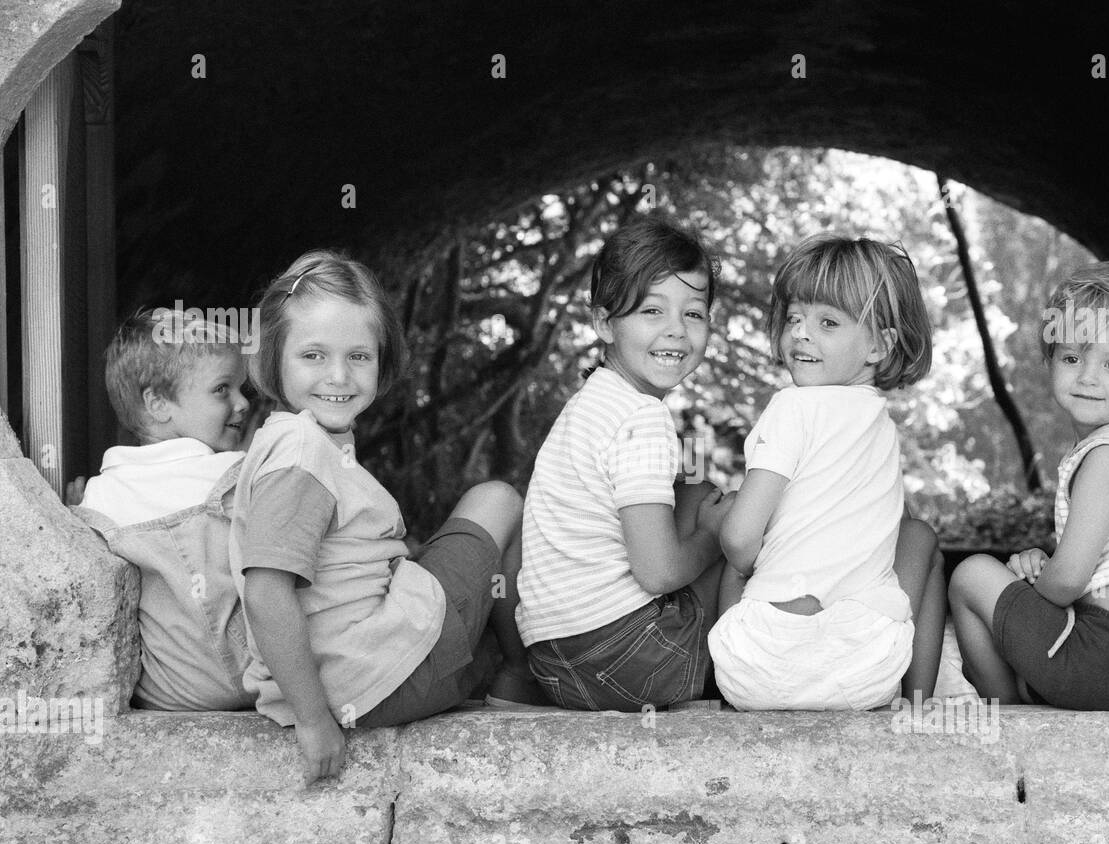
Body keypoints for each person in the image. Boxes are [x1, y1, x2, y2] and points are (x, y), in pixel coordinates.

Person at [232, 250, 543, 786]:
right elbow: (265, 591)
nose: (338, 375)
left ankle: (495, 669)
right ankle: (523, 676)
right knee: (497, 499)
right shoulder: (302, 454)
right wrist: (314, 721)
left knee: (435, 556)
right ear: (273, 358)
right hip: (380, 677)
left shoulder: (281, 443)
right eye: (312, 355)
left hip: (356, 673)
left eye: (359, 356)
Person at [948, 262, 1109, 709]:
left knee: (971, 575)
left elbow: (1068, 581)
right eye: (1072, 358)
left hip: (1105, 659)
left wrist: (1030, 591)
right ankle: (1029, 690)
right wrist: (1041, 570)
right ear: (1050, 360)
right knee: (1010, 587)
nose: (1088, 377)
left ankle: (1007, 712)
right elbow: (1097, 564)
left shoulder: (1108, 458)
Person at [708, 234, 945, 710]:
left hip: (759, 670)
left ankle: (715, 690)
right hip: (865, 672)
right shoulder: (881, 424)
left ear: (879, 344)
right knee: (920, 538)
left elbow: (738, 538)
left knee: (733, 527)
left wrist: (752, 561)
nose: (800, 332)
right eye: (794, 317)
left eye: (827, 322)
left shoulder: (792, 407)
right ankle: (917, 700)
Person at [516, 217, 734, 711]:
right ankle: (738, 679)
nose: (676, 330)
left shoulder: (590, 404)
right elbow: (658, 574)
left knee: (696, 492)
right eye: (652, 310)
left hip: (555, 665)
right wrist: (715, 535)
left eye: (694, 314)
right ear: (603, 323)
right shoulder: (642, 417)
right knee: (729, 521)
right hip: (631, 663)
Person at [73, 307, 256, 711]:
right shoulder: (237, 474)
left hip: (170, 694)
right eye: (223, 389)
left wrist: (70, 513)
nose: (242, 404)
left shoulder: (100, 497)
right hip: (263, 675)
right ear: (157, 403)